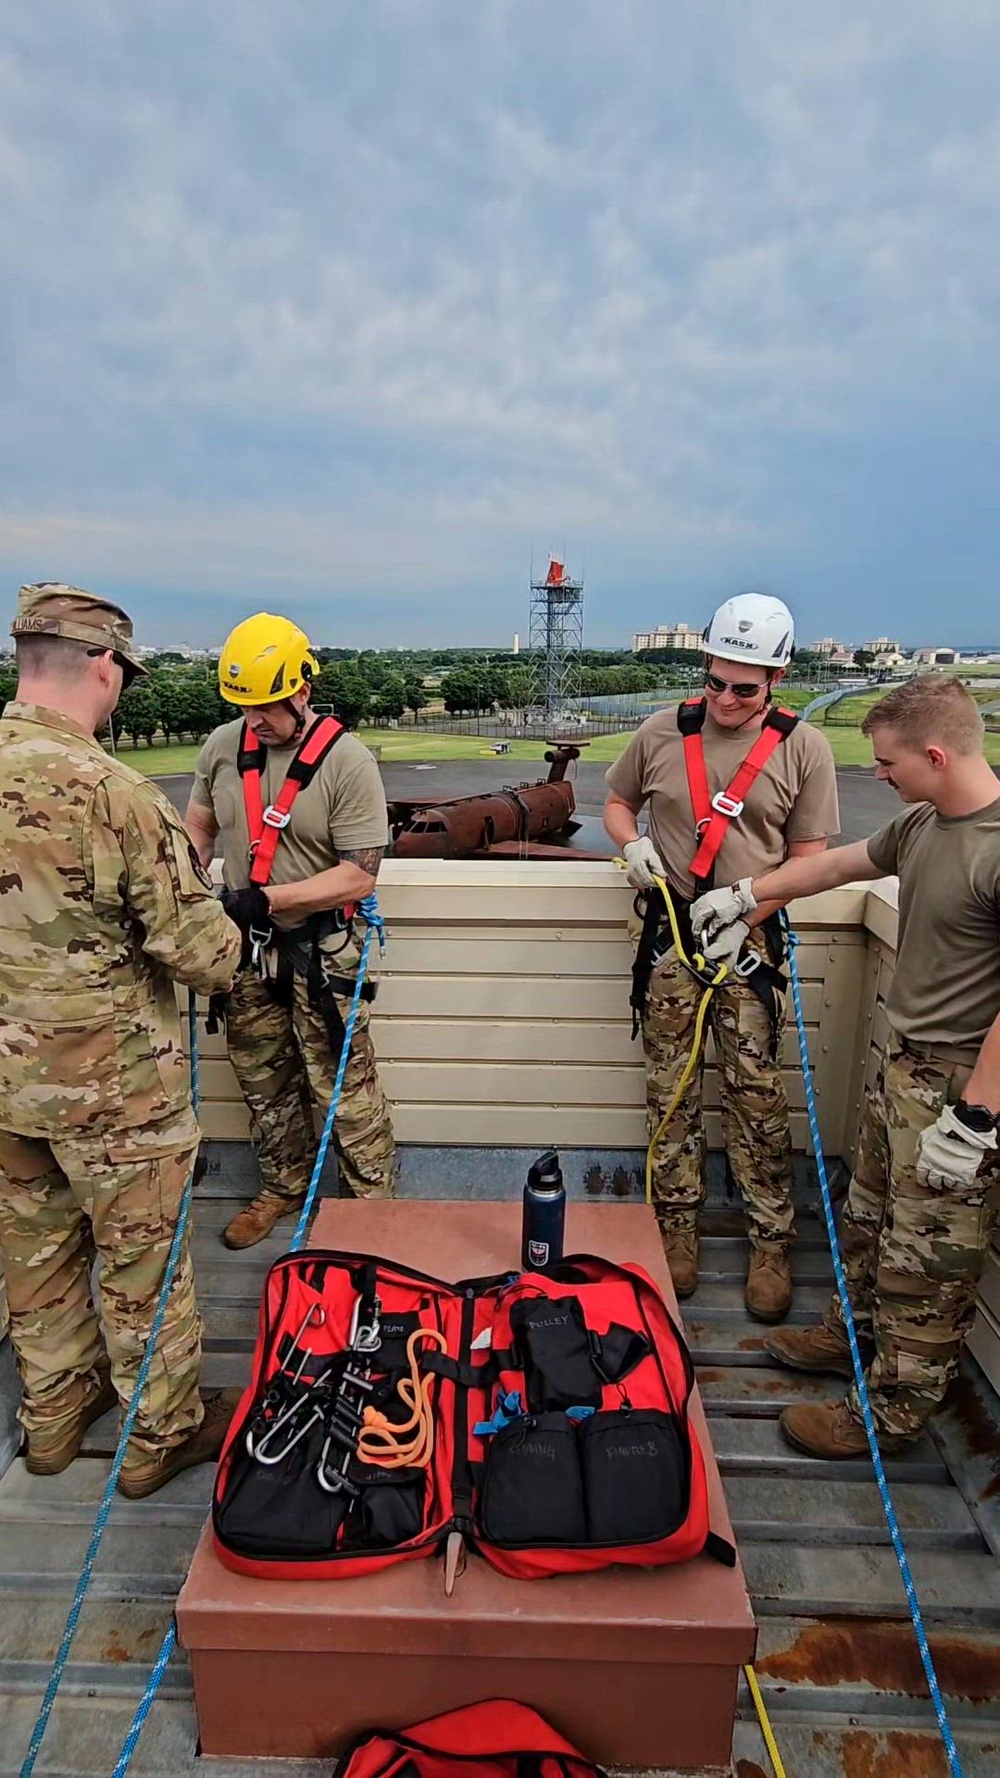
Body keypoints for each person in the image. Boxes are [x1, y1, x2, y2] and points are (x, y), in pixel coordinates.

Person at [690, 676, 1000, 1457]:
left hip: (961, 1087)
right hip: (902, 1068)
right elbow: (834, 868)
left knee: (924, 1265)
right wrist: (745, 896)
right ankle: (850, 1336)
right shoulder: (925, 823)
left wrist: (978, 1119)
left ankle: (891, 1415)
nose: (880, 775)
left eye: (889, 762)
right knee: (865, 1222)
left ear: (934, 754)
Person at [0, 583, 242, 1497]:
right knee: (143, 1268)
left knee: (37, 1260)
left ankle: (54, 1421)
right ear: (104, 664)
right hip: (114, 1094)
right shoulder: (116, 794)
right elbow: (206, 957)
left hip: (5, 1090)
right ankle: (159, 1437)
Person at [604, 594, 839, 1321]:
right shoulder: (661, 733)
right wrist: (631, 843)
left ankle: (770, 1240)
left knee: (756, 1097)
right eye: (717, 682)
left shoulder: (802, 748)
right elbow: (616, 803)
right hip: (674, 936)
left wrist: (750, 914)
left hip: (749, 946)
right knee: (670, 1093)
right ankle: (676, 1229)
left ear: (777, 679)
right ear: (703, 666)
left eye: (747, 687)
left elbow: (810, 859)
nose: (728, 699)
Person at [186, 612, 395, 1250]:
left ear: (303, 690)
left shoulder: (347, 761)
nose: (257, 722)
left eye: (269, 708)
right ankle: (282, 1186)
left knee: (344, 1089)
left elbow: (359, 878)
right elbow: (197, 825)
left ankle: (373, 1212)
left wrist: (266, 898)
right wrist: (196, 886)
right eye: (245, 708)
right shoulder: (222, 748)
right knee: (263, 1081)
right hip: (248, 952)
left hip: (318, 949)